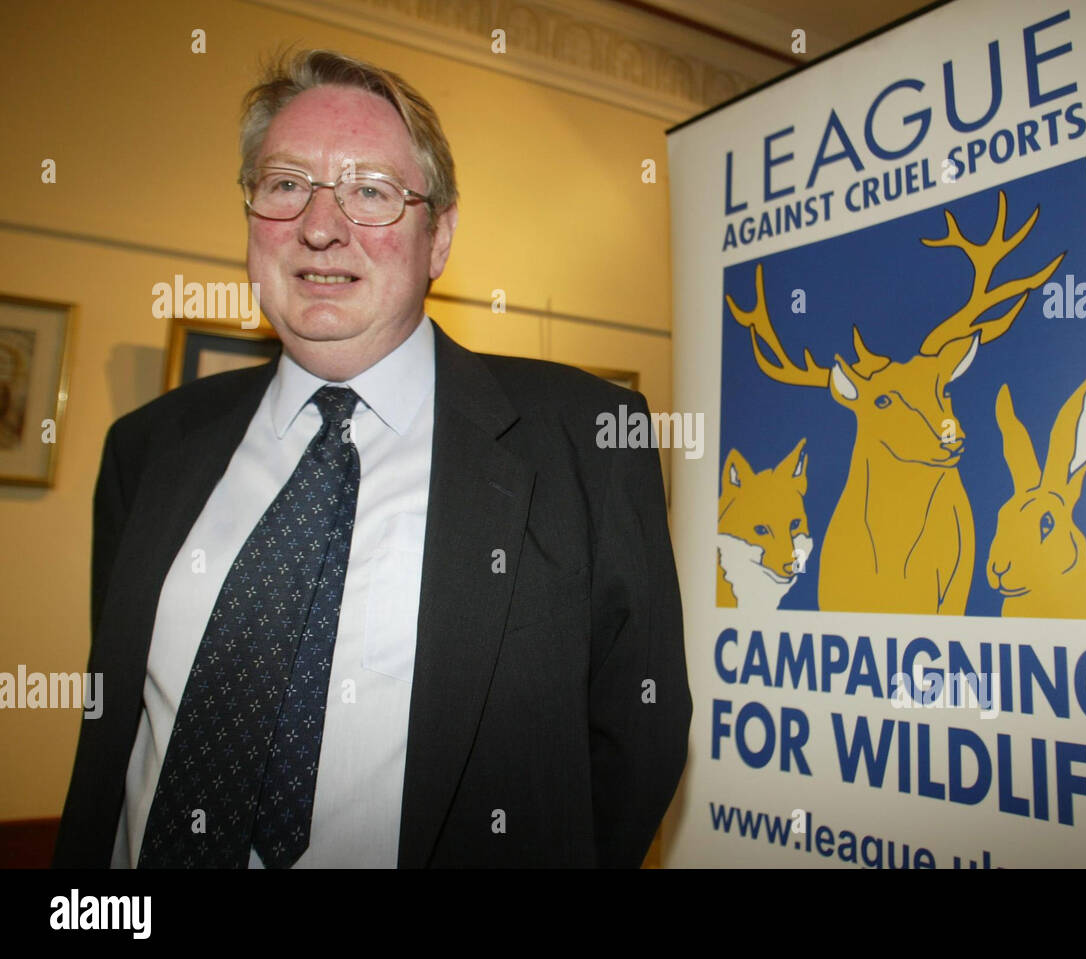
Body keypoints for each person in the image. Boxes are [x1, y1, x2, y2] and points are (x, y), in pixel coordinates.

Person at [52, 49, 691, 868]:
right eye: (286, 184)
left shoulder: (587, 440)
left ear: (440, 235)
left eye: (370, 192)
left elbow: (636, 740)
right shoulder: (146, 448)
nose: (321, 226)